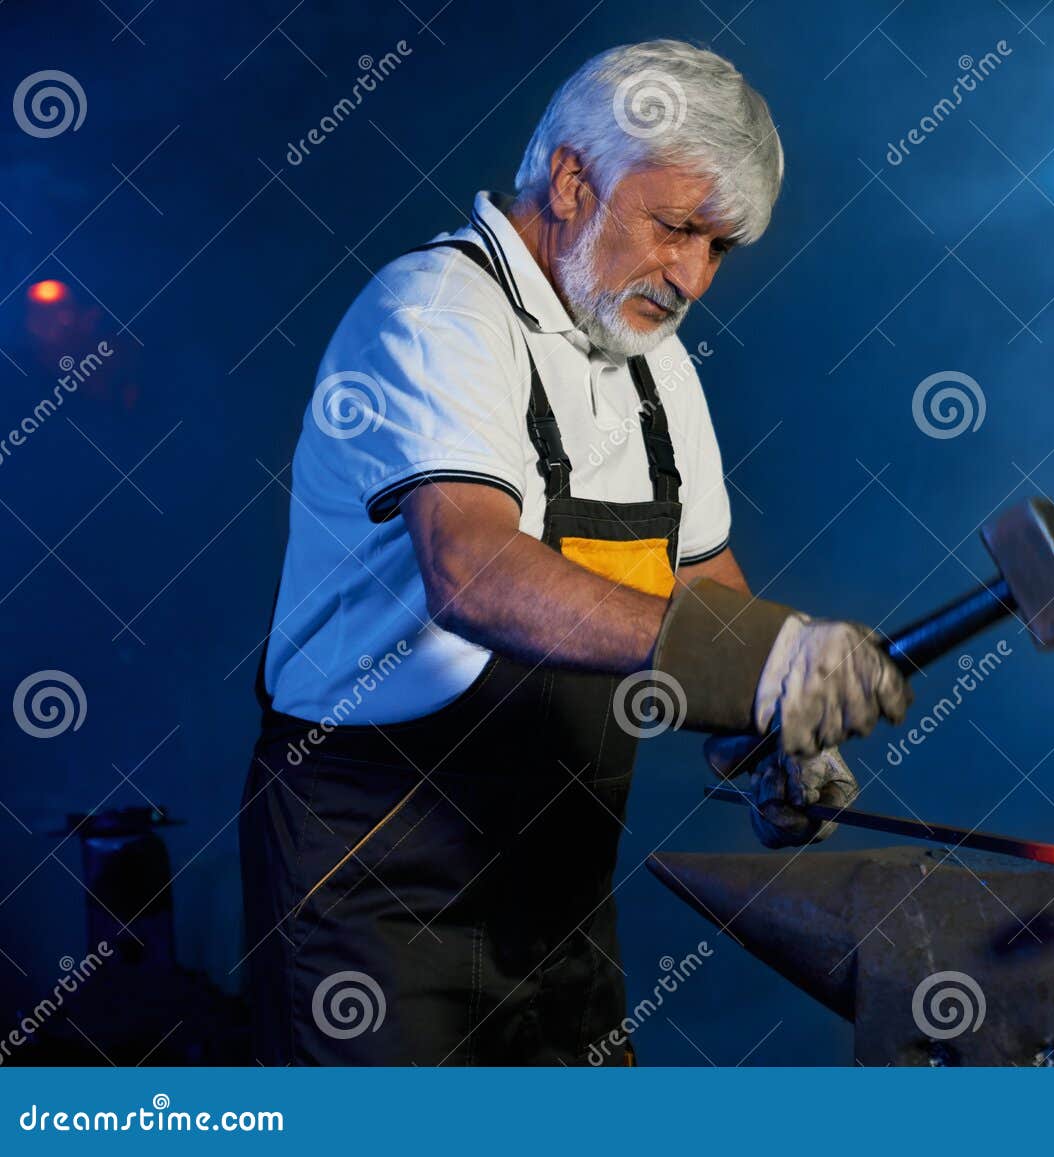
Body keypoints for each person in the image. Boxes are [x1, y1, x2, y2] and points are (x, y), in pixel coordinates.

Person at [238, 40, 911, 1066]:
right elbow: (471, 570)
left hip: (557, 902)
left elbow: (700, 591)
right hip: (373, 889)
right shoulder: (433, 315)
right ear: (569, 180)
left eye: (717, 247)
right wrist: (760, 659)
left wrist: (778, 721)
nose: (690, 275)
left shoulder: (653, 365)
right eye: (675, 227)